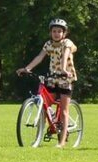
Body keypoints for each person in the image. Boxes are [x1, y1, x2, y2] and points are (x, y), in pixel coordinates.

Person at [16, 18, 78, 148]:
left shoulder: (67, 43)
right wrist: (27, 68)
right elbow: (39, 57)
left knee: (64, 110)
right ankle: (38, 138)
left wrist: (63, 69)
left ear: (64, 33)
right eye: (54, 31)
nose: (56, 33)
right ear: (50, 33)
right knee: (45, 106)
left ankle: (61, 142)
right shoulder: (48, 44)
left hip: (65, 78)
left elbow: (66, 54)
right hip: (53, 78)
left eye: (59, 31)